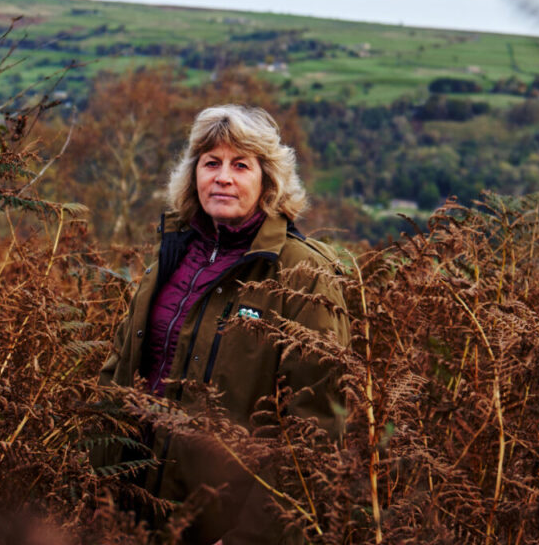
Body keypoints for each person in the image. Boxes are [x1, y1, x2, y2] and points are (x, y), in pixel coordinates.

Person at [98, 104, 350, 544]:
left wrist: (252, 537)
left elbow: (317, 430)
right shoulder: (174, 255)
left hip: (219, 524)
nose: (223, 177)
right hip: (128, 512)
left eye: (240, 165)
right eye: (211, 163)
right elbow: (119, 368)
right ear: (193, 173)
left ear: (267, 180)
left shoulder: (303, 274)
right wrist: (95, 485)